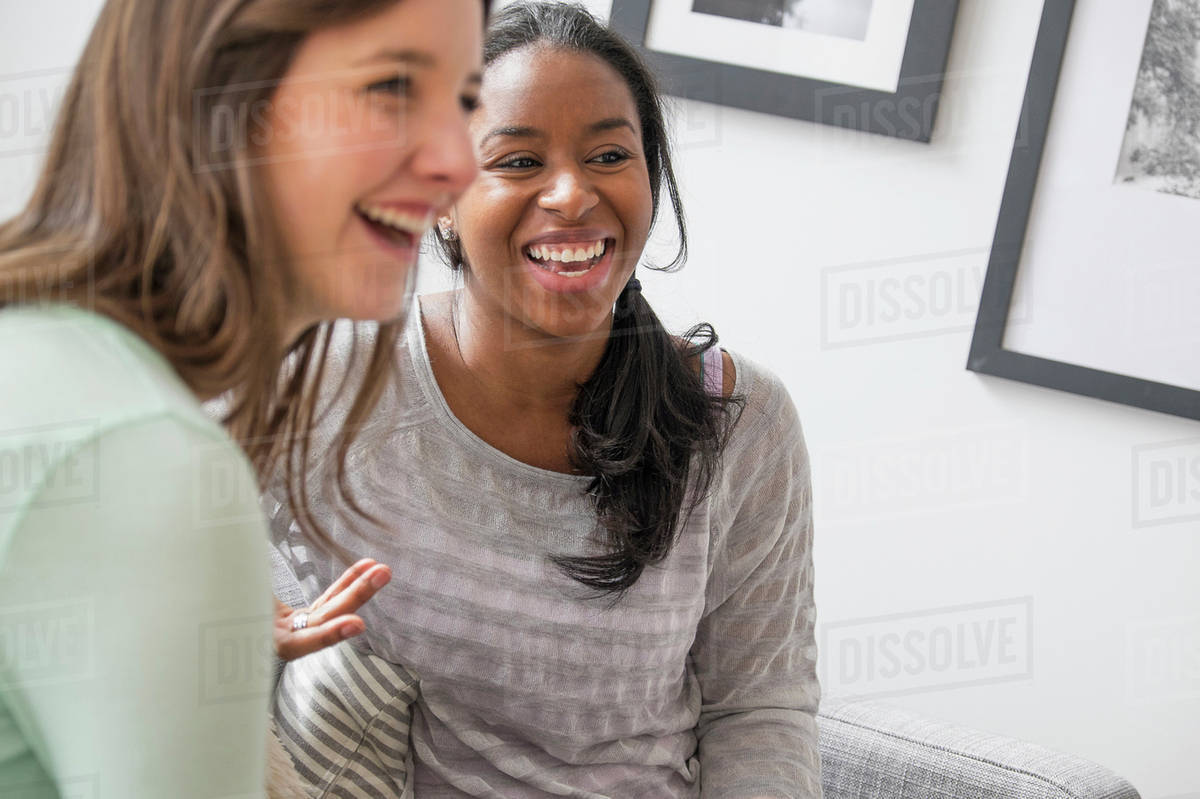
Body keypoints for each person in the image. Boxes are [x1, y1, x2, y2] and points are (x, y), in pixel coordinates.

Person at [270, 3, 823, 797]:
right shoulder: (333, 381)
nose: (571, 194)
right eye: (519, 161)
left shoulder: (741, 421)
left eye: (607, 154)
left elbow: (760, 709)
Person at [0, 0, 485, 795]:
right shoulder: (143, 455)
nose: (459, 163)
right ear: (220, 88)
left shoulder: (49, 355)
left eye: (465, 103)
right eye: (393, 85)